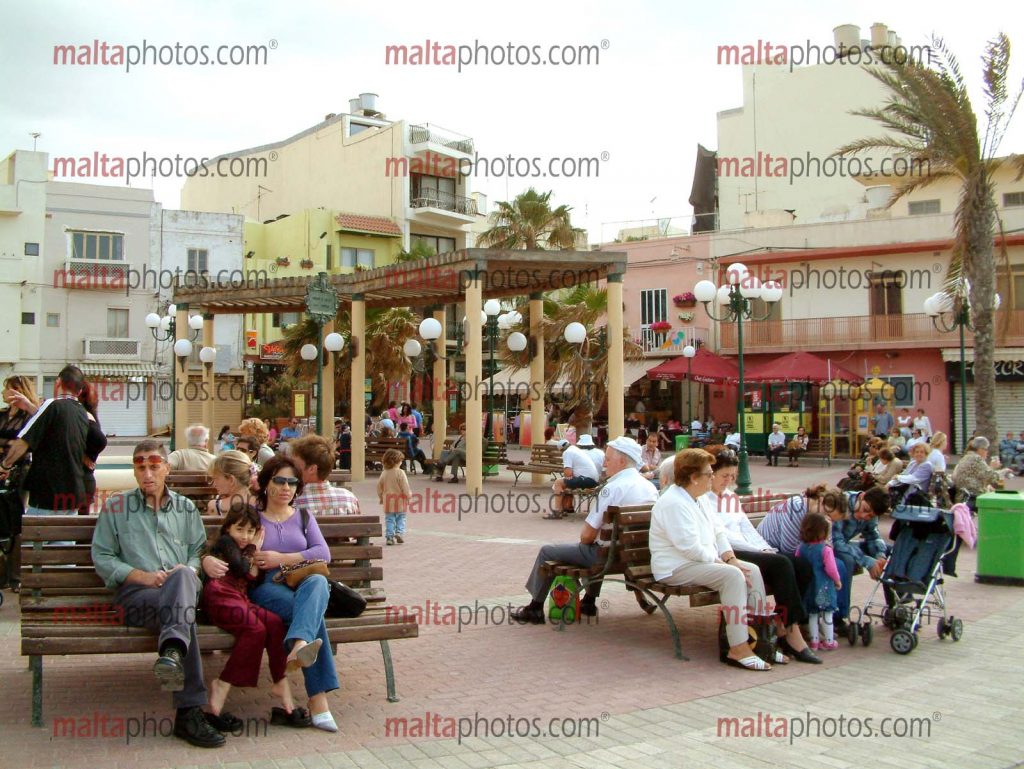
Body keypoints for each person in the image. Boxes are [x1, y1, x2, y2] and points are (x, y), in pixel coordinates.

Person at [90, 440, 225, 748]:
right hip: (137, 599)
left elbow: (197, 552)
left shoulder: (185, 508)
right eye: (140, 466)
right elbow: (103, 556)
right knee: (183, 614)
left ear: (167, 468)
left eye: (154, 465)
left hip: (181, 594)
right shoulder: (117, 507)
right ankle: (186, 705)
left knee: (182, 585)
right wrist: (145, 577)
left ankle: (175, 661)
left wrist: (184, 573)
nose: (147, 473)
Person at [649, 448, 772, 671]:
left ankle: (762, 640)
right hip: (676, 567)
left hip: (699, 562)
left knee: (751, 569)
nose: (712, 477)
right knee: (733, 576)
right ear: (694, 478)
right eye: (708, 473)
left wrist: (731, 558)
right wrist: (722, 564)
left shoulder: (700, 498)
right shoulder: (673, 502)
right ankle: (738, 647)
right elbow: (690, 548)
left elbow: (718, 532)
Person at [511, 437, 658, 623]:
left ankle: (535, 608)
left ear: (622, 461)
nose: (604, 463)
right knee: (605, 545)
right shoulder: (649, 487)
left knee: (547, 551)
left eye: (608, 458)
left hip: (606, 557)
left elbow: (586, 536)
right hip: (636, 556)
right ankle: (588, 602)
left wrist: (587, 543)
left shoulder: (612, 488)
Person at [702, 446, 820, 664]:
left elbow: (746, 527)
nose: (728, 480)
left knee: (801, 564)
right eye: (724, 476)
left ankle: (783, 625)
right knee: (782, 564)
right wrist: (758, 550)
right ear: (711, 474)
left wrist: (765, 547)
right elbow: (721, 534)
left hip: (748, 547)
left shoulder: (730, 497)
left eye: (732, 476)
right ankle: (792, 632)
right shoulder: (704, 499)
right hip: (727, 551)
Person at [248, 455, 338, 731]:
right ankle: (318, 701)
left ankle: (299, 645)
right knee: (312, 620)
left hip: (303, 587)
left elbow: (323, 554)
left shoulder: (303, 516)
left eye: (292, 482)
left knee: (319, 583)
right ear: (266, 483)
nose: (286, 487)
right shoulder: (251, 516)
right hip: (266, 589)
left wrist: (280, 558)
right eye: (279, 480)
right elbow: (238, 554)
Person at [200, 505, 302, 730]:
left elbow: (251, 577)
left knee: (274, 623)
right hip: (220, 595)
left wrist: (255, 556)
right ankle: (221, 686)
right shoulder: (226, 543)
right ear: (228, 528)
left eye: (250, 531)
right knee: (255, 630)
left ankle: (280, 682)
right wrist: (255, 547)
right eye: (240, 530)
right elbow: (239, 567)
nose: (244, 536)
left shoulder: (246, 550)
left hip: (240, 598)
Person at [756, 484, 853, 633]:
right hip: (771, 552)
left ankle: (834, 616)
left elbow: (828, 549)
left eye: (832, 520)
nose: (828, 520)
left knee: (839, 565)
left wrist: (826, 533)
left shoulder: (821, 518)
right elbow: (789, 548)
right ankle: (804, 616)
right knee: (806, 568)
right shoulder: (796, 509)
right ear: (820, 501)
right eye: (828, 516)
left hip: (801, 553)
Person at [0, 365, 89, 518]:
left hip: (48, 492)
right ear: (79, 391)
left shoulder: (51, 405)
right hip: (74, 493)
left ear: (58, 382)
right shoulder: (81, 412)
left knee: (33, 538)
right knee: (63, 541)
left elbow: (23, 442)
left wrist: (4, 465)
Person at [0, 375, 40, 591]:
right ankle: (3, 575)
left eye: (10, 389)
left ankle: (15, 576)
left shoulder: (29, 416)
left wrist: (28, 405)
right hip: (1, 469)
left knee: (16, 521)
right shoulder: (3, 415)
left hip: (19, 472)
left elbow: (25, 441)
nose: (6, 393)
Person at [796, 512, 843, 651]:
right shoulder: (825, 549)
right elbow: (831, 568)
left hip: (810, 587)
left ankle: (814, 641)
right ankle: (829, 640)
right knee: (827, 613)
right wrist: (837, 580)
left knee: (813, 614)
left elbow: (798, 563)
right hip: (824, 586)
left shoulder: (801, 548)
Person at [291, 435, 361, 516]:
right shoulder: (349, 499)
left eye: (294, 464)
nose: (291, 468)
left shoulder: (293, 505)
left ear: (312, 469)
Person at [549, 438, 600, 519]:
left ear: (561, 450)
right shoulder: (575, 449)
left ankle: (558, 511)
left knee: (558, 482)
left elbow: (568, 473)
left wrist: (566, 476)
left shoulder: (567, 452)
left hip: (587, 479)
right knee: (566, 482)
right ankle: (567, 507)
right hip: (592, 479)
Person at [951, 437, 1001, 503]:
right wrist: (993, 467)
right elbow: (991, 478)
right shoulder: (976, 459)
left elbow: (980, 476)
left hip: (962, 496)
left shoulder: (966, 457)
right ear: (980, 449)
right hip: (973, 497)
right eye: (986, 449)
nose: (987, 452)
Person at [887, 441, 934, 506]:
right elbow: (904, 474)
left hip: (918, 495)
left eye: (922, 452)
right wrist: (889, 483)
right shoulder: (913, 463)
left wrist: (898, 477)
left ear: (926, 454)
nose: (919, 454)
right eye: (917, 452)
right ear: (913, 454)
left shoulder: (927, 465)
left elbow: (914, 478)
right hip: (908, 490)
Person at [378, 449, 410, 545]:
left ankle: (389, 537)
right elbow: (405, 486)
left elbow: (379, 487)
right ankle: (399, 533)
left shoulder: (384, 473)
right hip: (400, 500)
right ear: (397, 461)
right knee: (401, 517)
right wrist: (408, 496)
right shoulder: (400, 473)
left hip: (388, 500)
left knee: (389, 519)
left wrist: (381, 497)